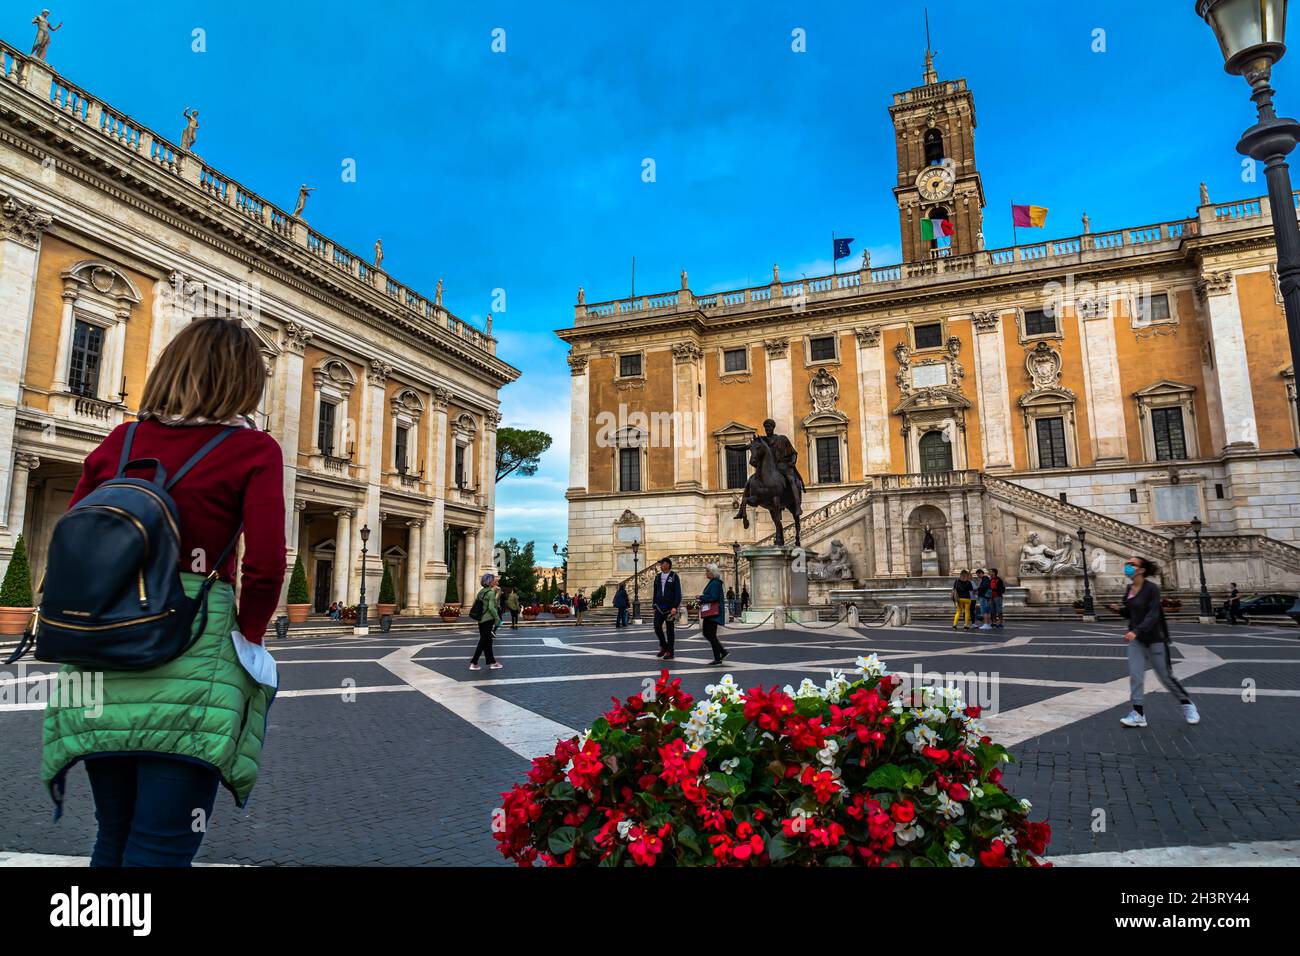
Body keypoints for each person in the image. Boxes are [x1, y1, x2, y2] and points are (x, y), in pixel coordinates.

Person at [41, 318, 285, 867]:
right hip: (193, 646)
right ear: (244, 381)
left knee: (113, 834)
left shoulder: (118, 442)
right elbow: (267, 565)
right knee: (164, 843)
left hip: (100, 654)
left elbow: (73, 544)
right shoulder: (252, 450)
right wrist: (248, 636)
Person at [1107, 556, 1199, 728]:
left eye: (1132, 564)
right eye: (1128, 563)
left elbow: (1153, 615)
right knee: (1136, 676)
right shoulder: (1129, 589)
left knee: (1165, 677)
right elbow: (1130, 613)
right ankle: (1138, 713)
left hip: (1154, 639)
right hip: (1137, 641)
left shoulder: (1151, 589)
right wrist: (1119, 609)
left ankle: (1187, 705)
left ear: (1141, 570)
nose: (1128, 566)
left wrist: (1136, 631)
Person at [470, 572, 503, 671]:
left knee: (488, 641)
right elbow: (492, 607)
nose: (495, 581)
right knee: (483, 641)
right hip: (488, 619)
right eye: (493, 580)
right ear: (489, 582)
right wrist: (497, 620)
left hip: (480, 619)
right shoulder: (491, 593)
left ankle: (492, 662)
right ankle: (474, 662)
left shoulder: (481, 592)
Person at [698, 564, 729, 666]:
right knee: (709, 634)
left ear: (712, 573)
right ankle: (722, 653)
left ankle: (718, 657)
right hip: (711, 613)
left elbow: (714, 597)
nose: (706, 573)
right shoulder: (713, 582)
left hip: (713, 613)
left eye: (707, 571)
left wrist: (701, 597)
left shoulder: (715, 583)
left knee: (709, 634)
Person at [652, 557, 682, 660]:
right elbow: (655, 591)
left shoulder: (674, 576)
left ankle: (670, 651)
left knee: (670, 630)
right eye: (660, 564)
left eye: (662, 563)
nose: (660, 565)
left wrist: (675, 606)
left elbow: (678, 593)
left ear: (668, 565)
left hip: (670, 608)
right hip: (659, 607)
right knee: (656, 626)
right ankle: (664, 646)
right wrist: (654, 604)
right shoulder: (658, 576)